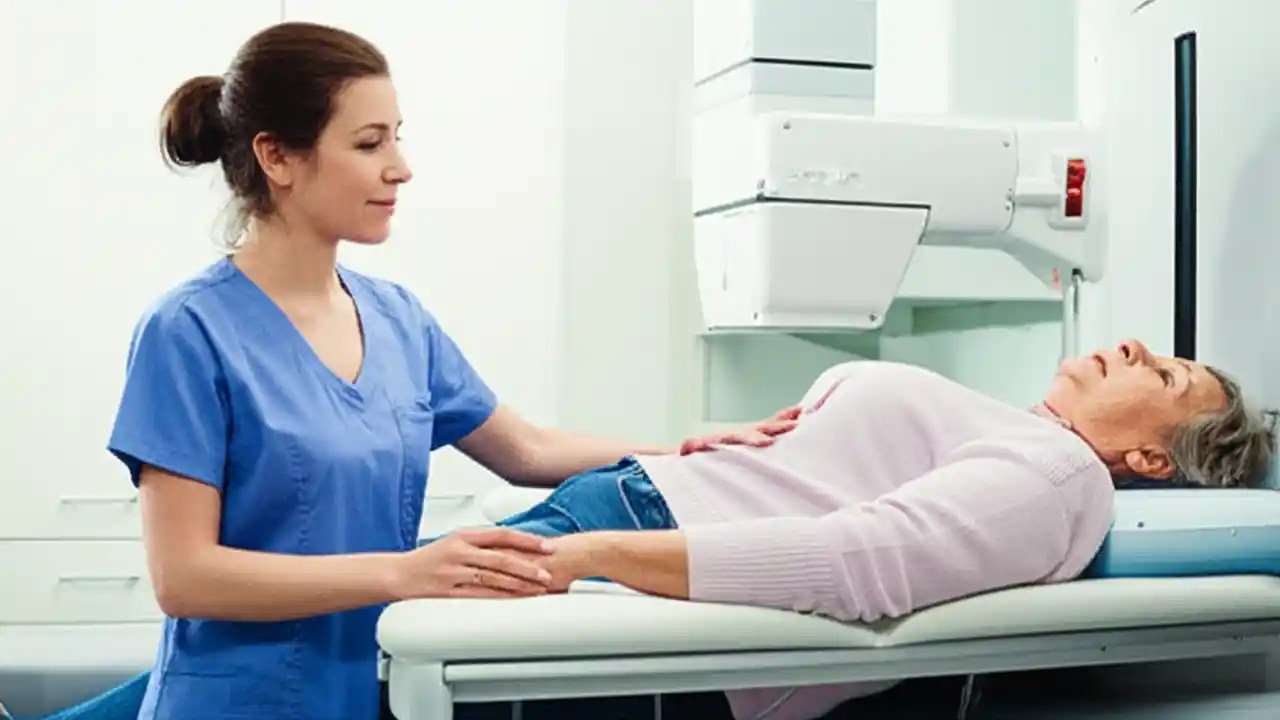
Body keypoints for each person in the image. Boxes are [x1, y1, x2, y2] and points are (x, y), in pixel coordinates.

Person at [94, 21, 799, 720]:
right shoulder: (188, 331)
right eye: (370, 143)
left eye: (398, 136)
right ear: (277, 157)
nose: (400, 166)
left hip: (366, 693)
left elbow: (526, 451)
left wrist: (689, 453)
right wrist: (407, 571)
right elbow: (184, 577)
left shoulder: (398, 319)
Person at [467, 339, 1276, 720]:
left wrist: (591, 556)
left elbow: (849, 564)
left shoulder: (1053, 476)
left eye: (1165, 376)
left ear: (1152, 459)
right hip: (628, 524)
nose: (1133, 347)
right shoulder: (1017, 433)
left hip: (634, 576)